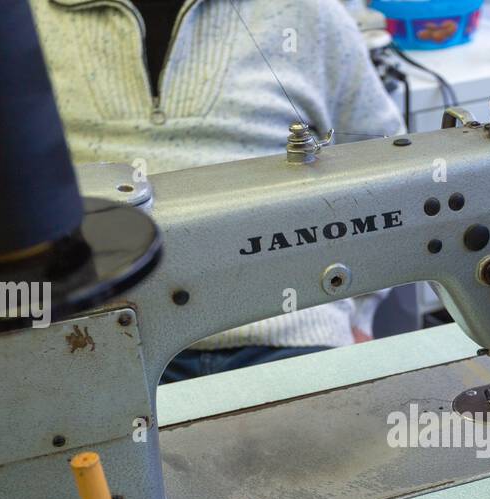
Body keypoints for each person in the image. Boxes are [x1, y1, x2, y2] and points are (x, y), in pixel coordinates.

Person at [28, 0, 407, 379]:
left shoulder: (308, 12)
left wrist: (362, 313)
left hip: (292, 329)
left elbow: (389, 172)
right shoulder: (21, 20)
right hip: (99, 340)